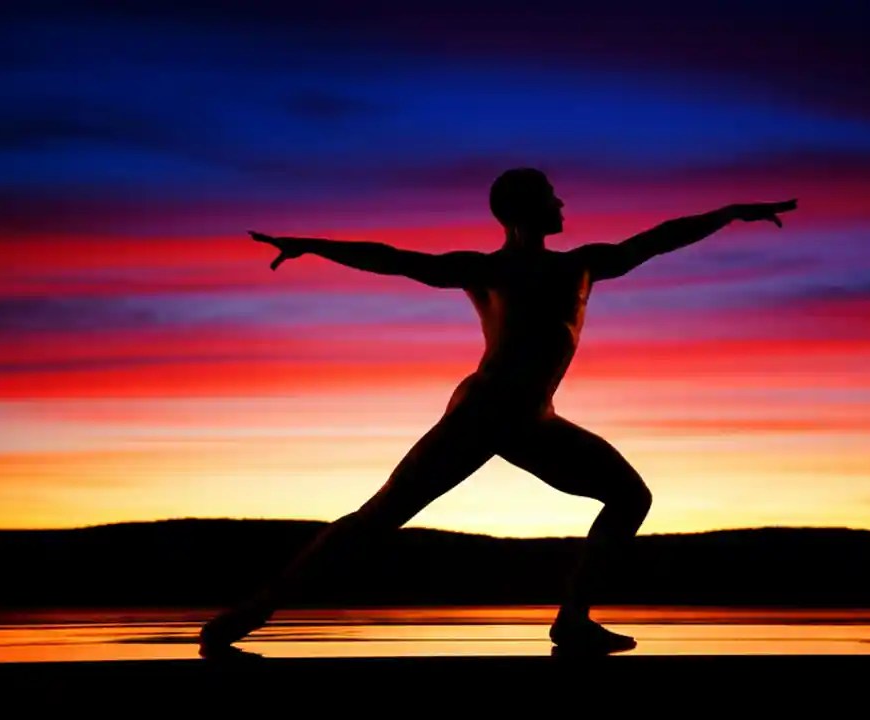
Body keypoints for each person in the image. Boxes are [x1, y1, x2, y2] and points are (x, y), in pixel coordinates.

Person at [200, 168, 796, 654]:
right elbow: (392, 258)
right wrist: (312, 246)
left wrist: (727, 214)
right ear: (526, 209)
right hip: (485, 410)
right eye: (551, 197)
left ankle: (572, 622)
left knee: (629, 497)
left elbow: (661, 238)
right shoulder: (497, 269)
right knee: (379, 516)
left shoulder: (579, 264)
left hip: (535, 417)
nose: (563, 202)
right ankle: (252, 610)